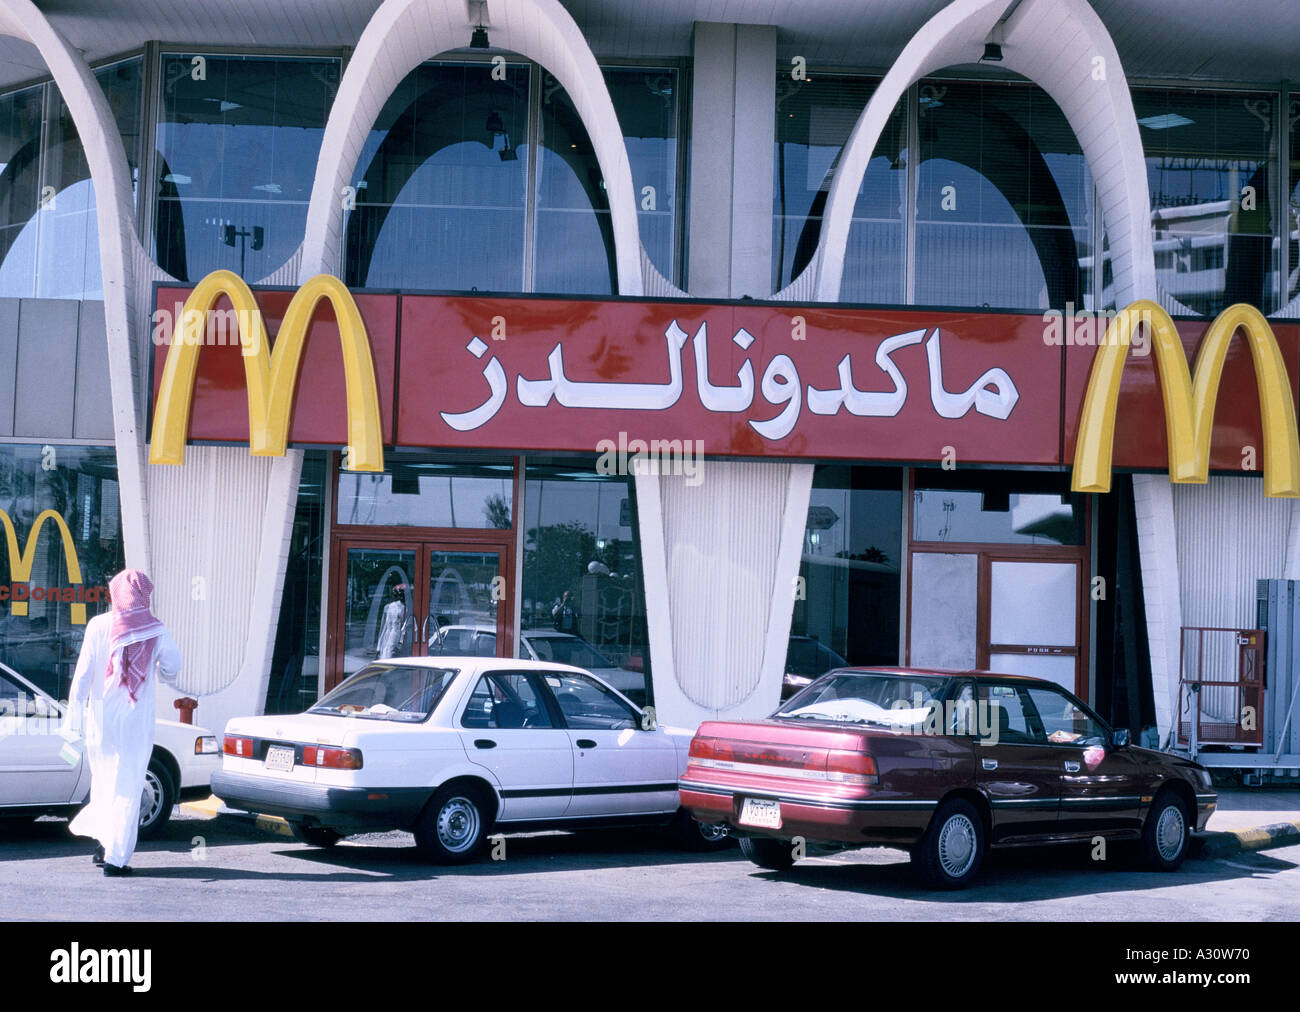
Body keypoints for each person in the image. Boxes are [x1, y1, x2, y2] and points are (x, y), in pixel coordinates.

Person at [64, 570, 183, 877]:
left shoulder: (97, 625)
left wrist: (73, 715)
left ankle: (104, 847)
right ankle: (116, 858)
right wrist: (157, 670)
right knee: (127, 785)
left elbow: (83, 674)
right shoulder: (155, 631)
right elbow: (174, 664)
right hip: (134, 720)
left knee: (103, 783)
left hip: (101, 720)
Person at [376, 584, 407, 659]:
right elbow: (384, 625)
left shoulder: (403, 607)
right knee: (387, 649)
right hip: (390, 631)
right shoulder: (389, 606)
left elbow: (403, 624)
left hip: (395, 632)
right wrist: (379, 644)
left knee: (389, 649)